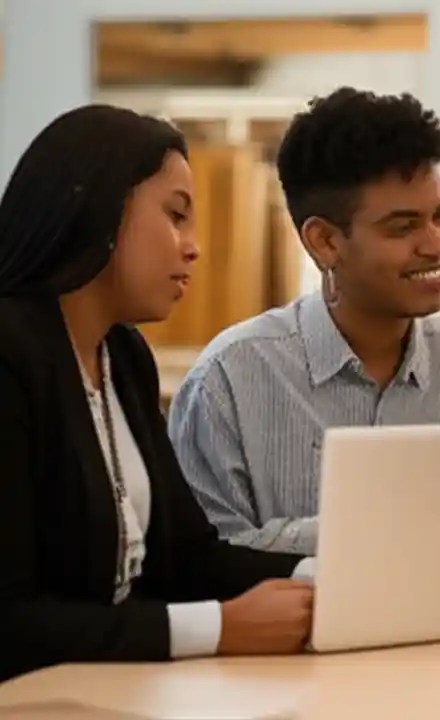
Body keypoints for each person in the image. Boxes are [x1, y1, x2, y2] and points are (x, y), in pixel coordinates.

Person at [166, 87, 440, 555]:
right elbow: (206, 562)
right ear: (325, 242)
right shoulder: (229, 382)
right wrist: (403, 528)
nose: (437, 244)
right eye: (404, 227)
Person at [0, 105, 317, 684]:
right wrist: (217, 629)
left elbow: (187, 556)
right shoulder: (11, 352)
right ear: (99, 208)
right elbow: (10, 622)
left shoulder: (121, 355)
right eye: (176, 216)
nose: (193, 247)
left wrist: (321, 578)